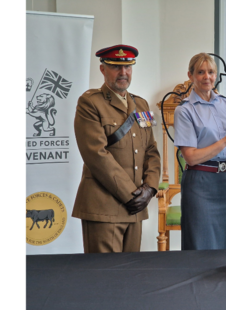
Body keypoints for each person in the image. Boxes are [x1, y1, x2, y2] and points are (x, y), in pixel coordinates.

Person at [73, 44, 161, 253]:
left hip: (135, 208)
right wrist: (132, 196)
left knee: (129, 277)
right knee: (104, 278)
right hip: (104, 207)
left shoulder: (141, 105)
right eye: (115, 67)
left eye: (128, 67)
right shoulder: (90, 102)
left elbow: (151, 150)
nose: (123, 72)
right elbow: (96, 154)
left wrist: (149, 189)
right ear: (103, 69)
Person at [174, 53, 226, 250]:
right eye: (200, 72)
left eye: (211, 72)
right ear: (190, 75)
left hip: (225, 182)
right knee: (200, 245)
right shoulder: (185, 111)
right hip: (200, 184)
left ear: (216, 75)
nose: (207, 77)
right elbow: (190, 157)